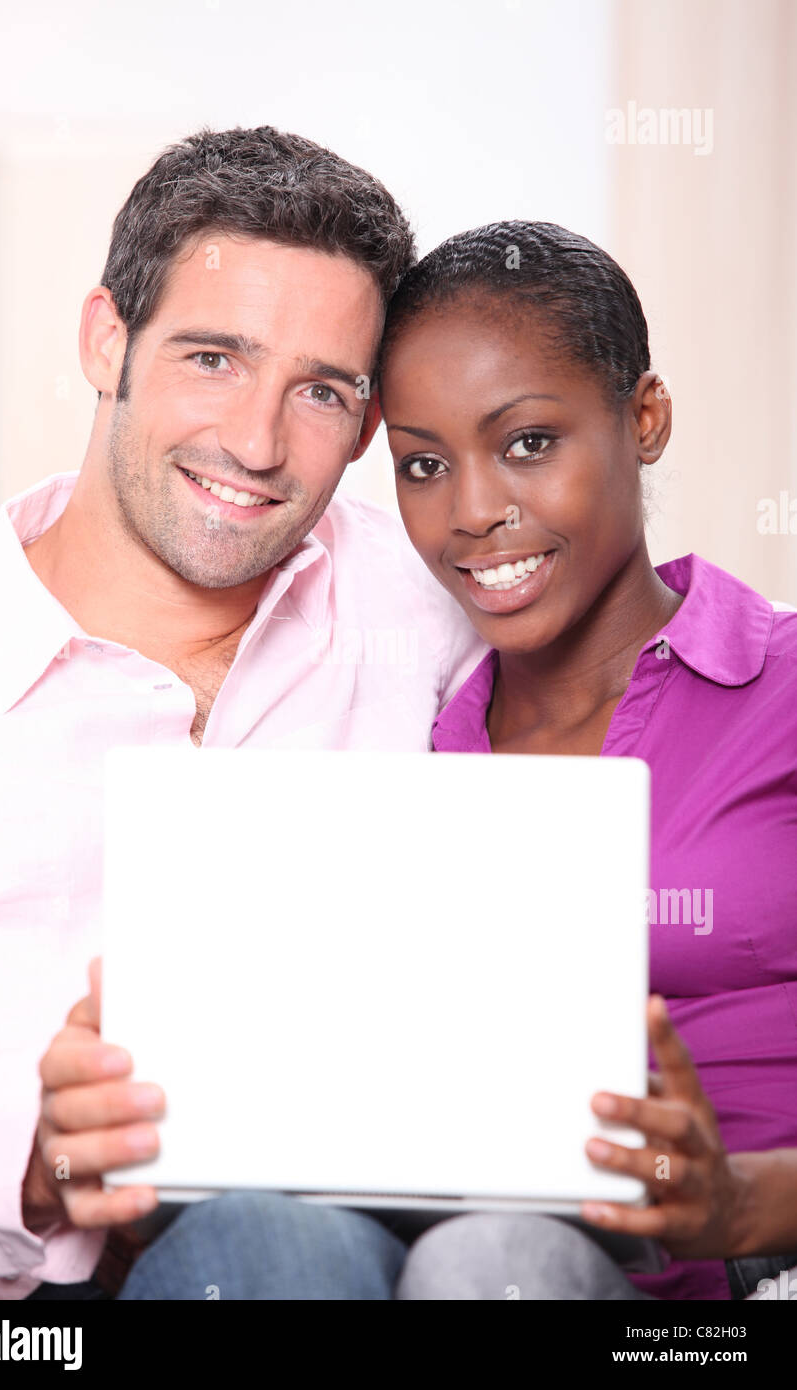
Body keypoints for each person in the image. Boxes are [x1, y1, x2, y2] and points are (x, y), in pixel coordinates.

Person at [0, 127, 485, 1299]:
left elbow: (679, 654)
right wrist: (24, 1164)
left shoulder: (434, 606)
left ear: (370, 421)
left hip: (368, 1239)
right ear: (106, 340)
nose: (254, 444)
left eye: (321, 392)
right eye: (212, 358)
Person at [373, 218, 797, 1299]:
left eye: (525, 443)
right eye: (423, 464)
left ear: (642, 418)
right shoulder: (412, 747)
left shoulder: (781, 689)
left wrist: (743, 1201)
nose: (472, 512)